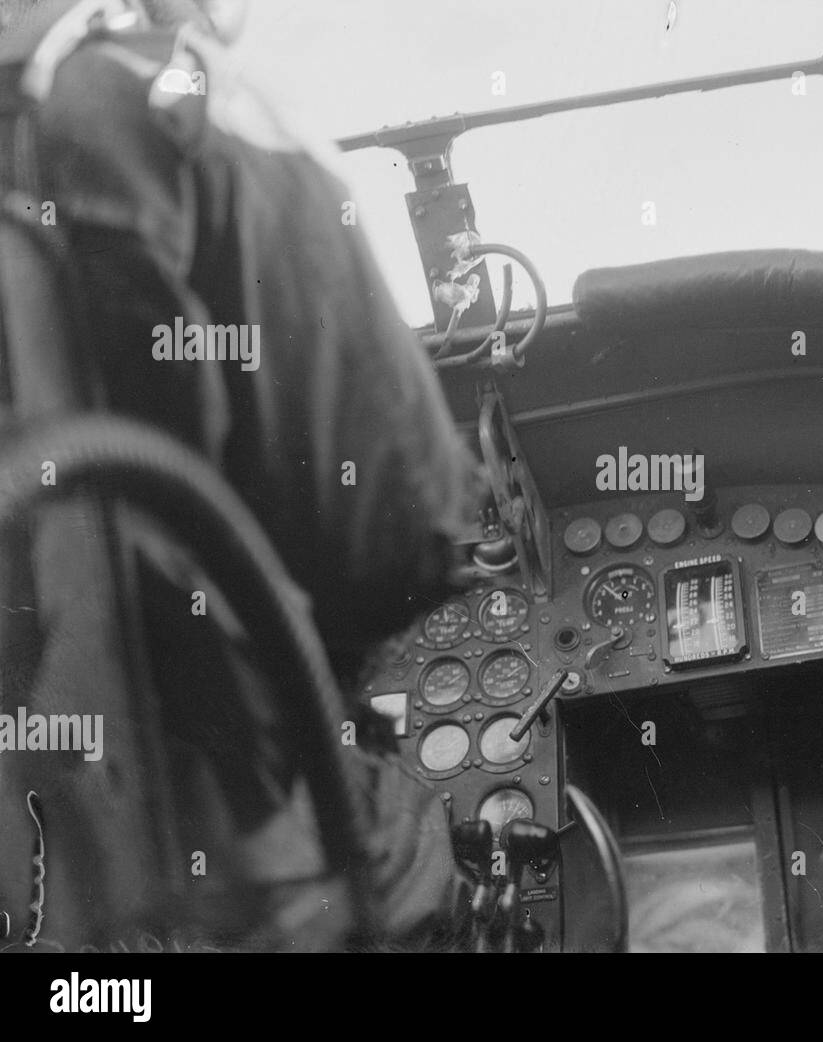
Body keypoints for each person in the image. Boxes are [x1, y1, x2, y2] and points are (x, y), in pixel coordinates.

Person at [0, 0, 483, 949]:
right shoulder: (165, 83)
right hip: (352, 605)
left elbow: (169, 507)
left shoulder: (85, 111)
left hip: (257, 746)